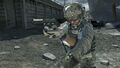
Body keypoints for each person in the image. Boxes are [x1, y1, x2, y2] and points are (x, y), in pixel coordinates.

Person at [59, 3, 96, 68]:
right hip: (73, 52)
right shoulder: (68, 24)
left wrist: (64, 37)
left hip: (86, 53)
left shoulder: (87, 27)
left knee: (86, 64)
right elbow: (61, 29)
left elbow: (85, 44)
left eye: (75, 20)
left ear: (80, 17)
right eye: (70, 20)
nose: (72, 22)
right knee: (66, 64)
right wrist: (54, 31)